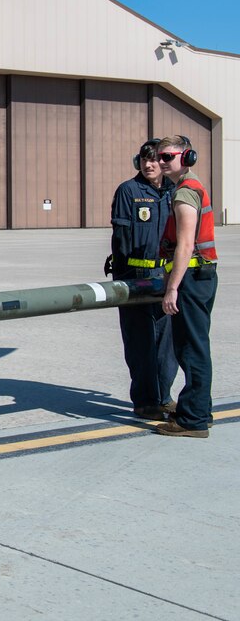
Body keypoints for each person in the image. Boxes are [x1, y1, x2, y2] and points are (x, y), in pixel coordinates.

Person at [107, 138, 177, 420]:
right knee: (139, 342)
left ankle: (164, 396)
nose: (149, 164)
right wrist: (122, 280)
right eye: (145, 159)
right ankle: (145, 401)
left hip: (164, 276)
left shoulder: (174, 191)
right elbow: (121, 237)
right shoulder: (129, 190)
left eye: (155, 159)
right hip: (134, 276)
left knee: (166, 343)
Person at [153, 136, 217, 438]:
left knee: (191, 349)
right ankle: (200, 409)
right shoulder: (190, 187)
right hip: (201, 277)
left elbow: (186, 245)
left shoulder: (185, 193)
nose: (161, 161)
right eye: (159, 156)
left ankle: (193, 420)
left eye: (167, 156)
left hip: (191, 280)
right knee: (196, 346)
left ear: (186, 157)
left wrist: (172, 288)